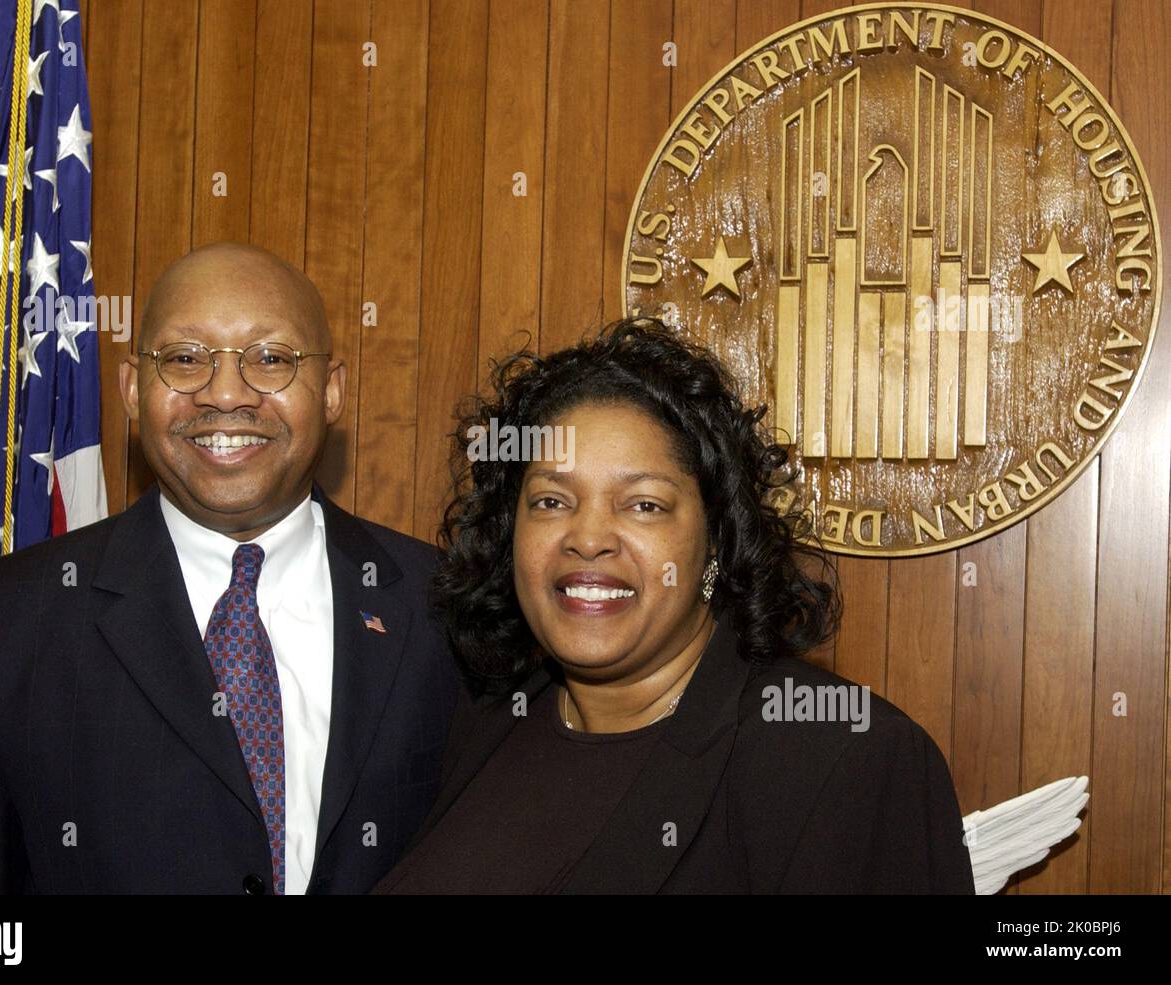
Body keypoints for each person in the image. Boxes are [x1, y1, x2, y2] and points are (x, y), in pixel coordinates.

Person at [0, 242, 458, 894]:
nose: (226, 394)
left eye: (271, 358)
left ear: (331, 391)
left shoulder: (444, 607)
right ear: (133, 389)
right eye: (184, 358)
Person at [372, 317, 975, 894]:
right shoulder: (486, 721)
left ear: (716, 540)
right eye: (552, 502)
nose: (588, 538)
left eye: (644, 505)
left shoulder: (842, 757)